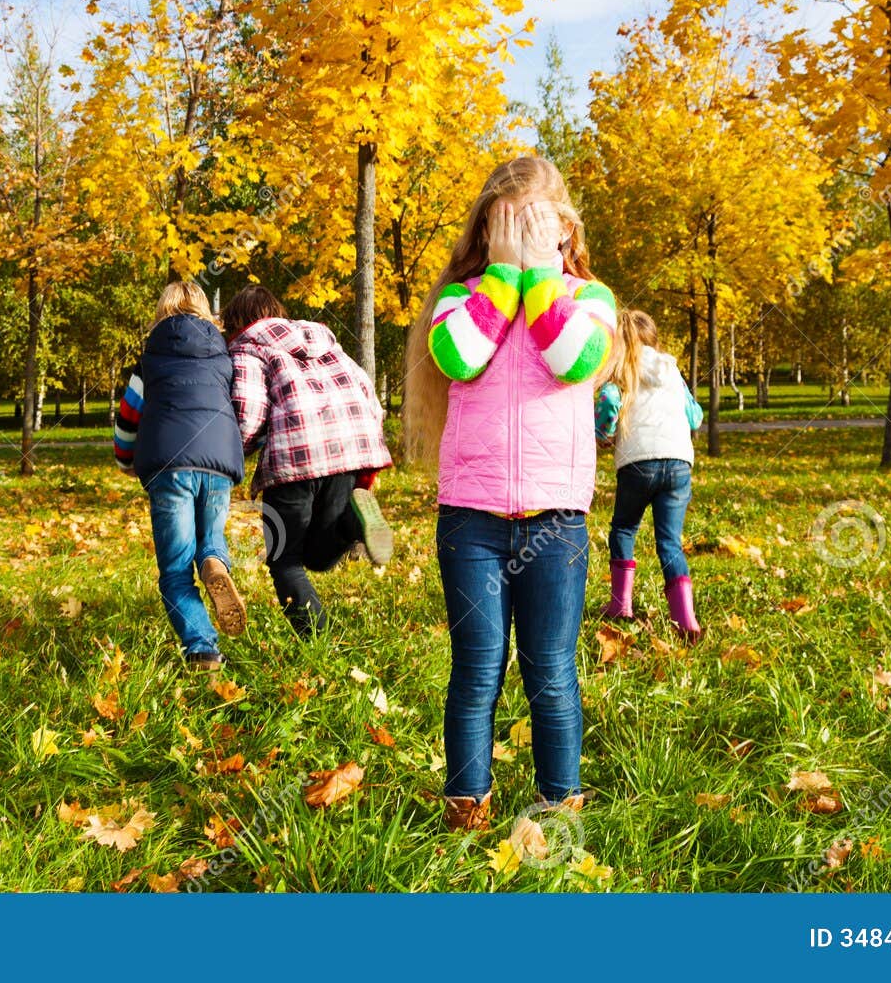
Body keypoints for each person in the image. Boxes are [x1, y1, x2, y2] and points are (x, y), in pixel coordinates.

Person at [405, 155, 616, 831]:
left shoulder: (589, 299)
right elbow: (460, 356)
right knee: (477, 666)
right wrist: (500, 279)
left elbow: (574, 359)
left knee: (550, 668)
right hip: (472, 515)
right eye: (510, 224)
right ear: (488, 228)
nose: (524, 239)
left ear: (563, 229)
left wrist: (546, 282)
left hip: (556, 516)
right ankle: (467, 805)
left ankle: (561, 805)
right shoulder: (461, 300)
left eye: (538, 224)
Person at [224, 284, 393, 638]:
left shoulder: (247, 348)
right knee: (316, 557)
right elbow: (368, 395)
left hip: (294, 460)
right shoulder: (325, 341)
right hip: (348, 453)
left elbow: (249, 412)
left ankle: (315, 640)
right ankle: (353, 523)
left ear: (236, 323)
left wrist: (233, 456)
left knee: (284, 560)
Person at [113, 281, 246, 672]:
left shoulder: (149, 360)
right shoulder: (225, 359)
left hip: (169, 465)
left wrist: (125, 460)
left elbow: (128, 418)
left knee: (174, 569)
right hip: (219, 463)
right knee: (212, 539)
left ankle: (202, 647)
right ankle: (216, 564)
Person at [595, 309, 703, 641]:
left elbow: (609, 403)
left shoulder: (620, 373)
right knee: (669, 543)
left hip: (637, 464)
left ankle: (621, 605)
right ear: (654, 339)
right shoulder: (672, 372)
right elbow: (695, 417)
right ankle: (685, 621)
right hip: (678, 463)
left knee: (624, 530)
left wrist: (603, 433)